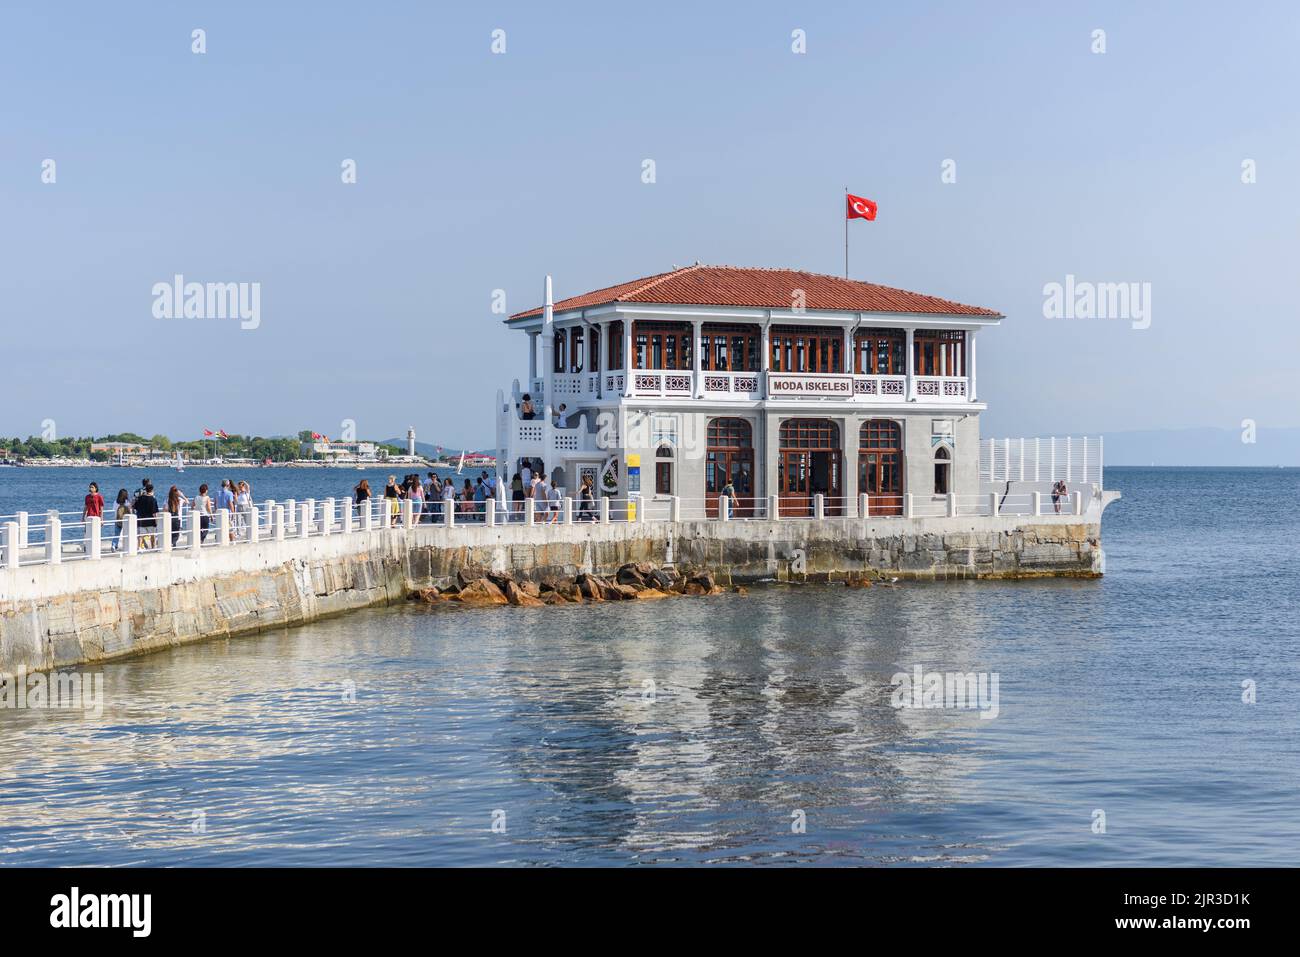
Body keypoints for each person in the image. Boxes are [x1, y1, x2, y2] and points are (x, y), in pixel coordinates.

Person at [134, 481, 159, 550]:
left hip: (142, 520)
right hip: (150, 520)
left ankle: (139, 547)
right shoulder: (153, 500)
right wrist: (156, 521)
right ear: (152, 490)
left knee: (141, 535)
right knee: (152, 535)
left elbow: (135, 507)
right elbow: (154, 512)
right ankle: (153, 547)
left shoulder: (140, 498)